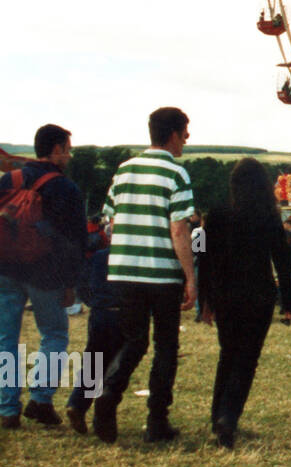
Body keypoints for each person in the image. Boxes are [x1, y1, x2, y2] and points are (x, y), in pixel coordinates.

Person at [93, 107, 196, 444]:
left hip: (124, 272)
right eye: (185, 133)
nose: (187, 139)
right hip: (162, 275)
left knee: (135, 341)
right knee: (166, 346)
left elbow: (110, 219)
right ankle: (157, 420)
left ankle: (107, 396)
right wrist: (190, 277)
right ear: (173, 135)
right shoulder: (176, 174)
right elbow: (179, 229)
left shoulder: (124, 170)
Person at [198, 159, 291, 449]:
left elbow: (203, 257)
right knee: (246, 360)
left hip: (224, 295)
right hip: (258, 295)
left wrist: (205, 299)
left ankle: (217, 414)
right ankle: (228, 417)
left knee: (227, 354)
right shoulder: (268, 216)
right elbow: (283, 261)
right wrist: (289, 301)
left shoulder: (216, 215)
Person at [0, 124, 87, 429]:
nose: (69, 155)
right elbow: (76, 240)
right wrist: (71, 284)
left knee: (5, 340)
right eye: (67, 149)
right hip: (45, 272)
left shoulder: (9, 179)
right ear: (57, 149)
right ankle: (41, 398)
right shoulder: (64, 187)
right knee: (54, 334)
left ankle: (7, 409)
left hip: (5, 268)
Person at [66, 227, 118, 434]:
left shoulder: (98, 257)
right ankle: (102, 416)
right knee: (115, 367)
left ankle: (77, 404)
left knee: (94, 361)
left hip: (99, 313)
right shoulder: (129, 260)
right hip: (121, 314)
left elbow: (82, 284)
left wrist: (93, 302)